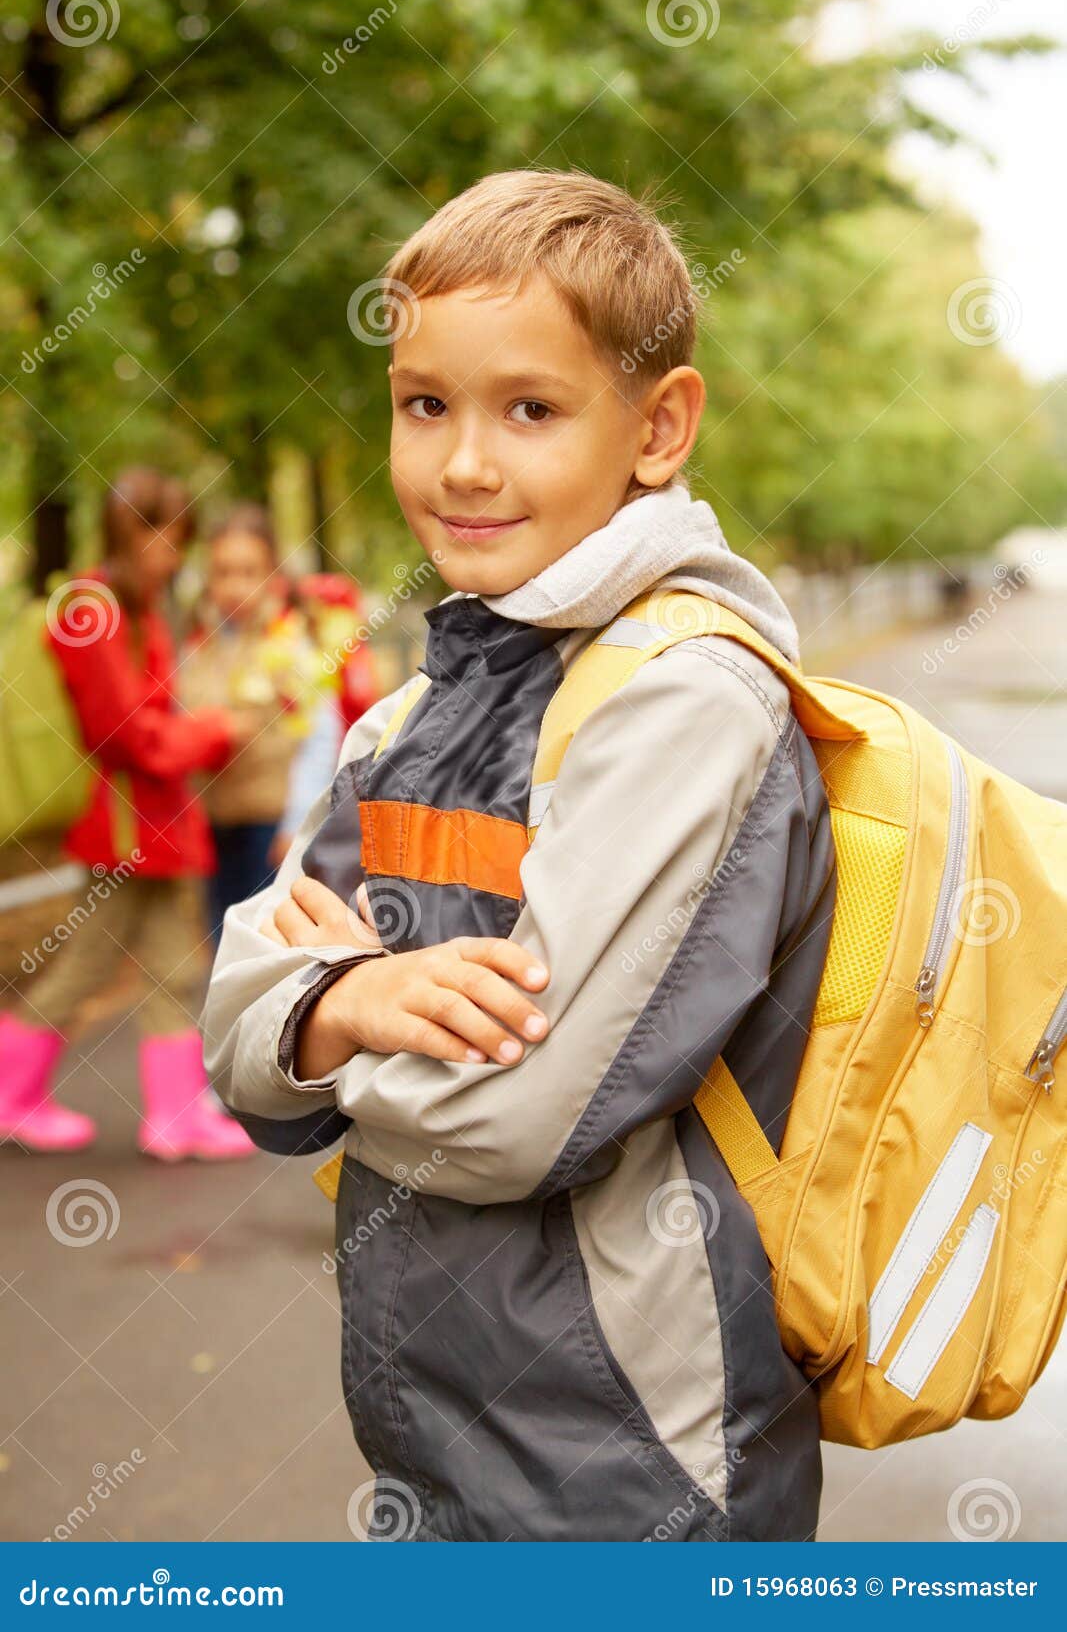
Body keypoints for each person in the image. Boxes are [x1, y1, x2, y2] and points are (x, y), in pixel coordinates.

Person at [200, 171, 836, 1539]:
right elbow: (234, 1049)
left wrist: (315, 1017)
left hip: (634, 1466)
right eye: (424, 403)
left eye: (529, 410)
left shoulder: (686, 703)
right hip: (434, 1429)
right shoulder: (415, 710)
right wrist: (347, 1000)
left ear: (657, 427)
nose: (464, 464)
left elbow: (514, 1120)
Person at [0, 467, 258, 1161]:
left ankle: (176, 1117)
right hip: (123, 827)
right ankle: (10, 1095)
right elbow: (124, 733)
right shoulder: (93, 608)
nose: (172, 557)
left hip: (153, 825)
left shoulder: (137, 607)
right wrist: (211, 733)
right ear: (129, 532)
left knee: (171, 967)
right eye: (164, 539)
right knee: (86, 963)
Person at [180, 505, 342, 944]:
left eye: (249, 572)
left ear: (273, 575)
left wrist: (296, 823)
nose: (236, 586)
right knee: (220, 934)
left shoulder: (292, 646)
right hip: (214, 824)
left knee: (264, 939)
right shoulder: (200, 646)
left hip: (271, 828)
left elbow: (319, 736)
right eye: (223, 572)